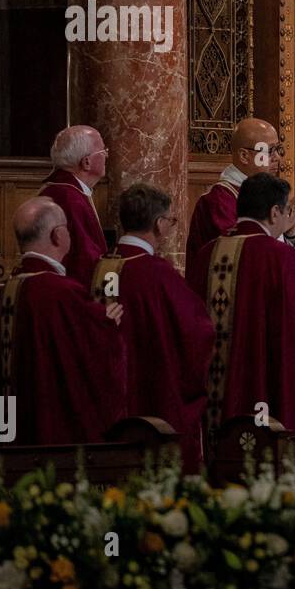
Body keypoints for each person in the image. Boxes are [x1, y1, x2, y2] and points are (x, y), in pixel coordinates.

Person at [185, 173, 295, 451]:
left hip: (214, 394)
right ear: (275, 212)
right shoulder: (281, 259)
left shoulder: (207, 255)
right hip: (264, 384)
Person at [93, 184, 215, 471]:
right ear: (159, 225)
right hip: (154, 394)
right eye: (171, 221)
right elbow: (198, 333)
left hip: (110, 400)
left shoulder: (99, 268)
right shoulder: (159, 275)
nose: (171, 228)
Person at [0, 197, 127, 444]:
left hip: (16, 420)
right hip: (53, 428)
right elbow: (89, 361)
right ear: (58, 235)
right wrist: (106, 325)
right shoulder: (61, 292)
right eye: (67, 227)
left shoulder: (10, 286)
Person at [186, 117, 295, 281]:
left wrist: (291, 235)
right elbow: (240, 255)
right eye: (269, 151)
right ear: (243, 155)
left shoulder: (275, 197)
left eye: (278, 149)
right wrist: (279, 231)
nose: (277, 157)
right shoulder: (218, 202)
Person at [39, 125, 110, 288]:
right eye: (103, 150)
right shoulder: (70, 199)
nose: (106, 155)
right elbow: (84, 261)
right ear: (86, 162)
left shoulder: (62, 190)